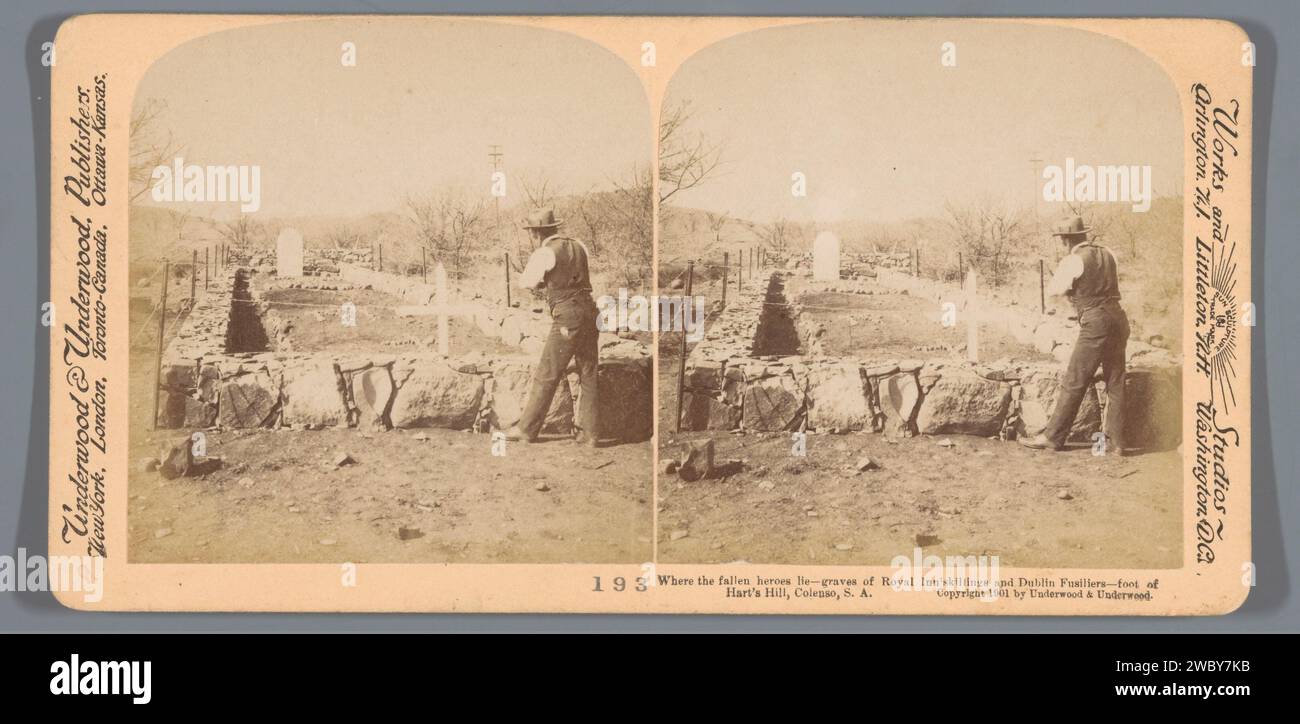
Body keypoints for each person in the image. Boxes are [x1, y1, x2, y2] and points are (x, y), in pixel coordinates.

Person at [1020, 216, 1129, 456]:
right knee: (1116, 380)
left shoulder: (1073, 260)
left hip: (1096, 321)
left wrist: (1074, 294)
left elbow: (1055, 290)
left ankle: (1052, 437)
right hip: (1119, 318)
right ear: (1084, 235)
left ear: (1065, 240)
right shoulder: (1108, 253)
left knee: (1075, 378)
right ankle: (1117, 443)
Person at [504, 208, 600, 446]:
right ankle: (590, 434)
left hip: (568, 316)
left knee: (548, 371)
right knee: (588, 372)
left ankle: (527, 429)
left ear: (536, 233)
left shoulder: (544, 252)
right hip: (590, 311)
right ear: (554, 228)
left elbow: (526, 282)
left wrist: (543, 284)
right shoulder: (579, 245)